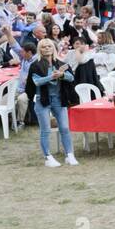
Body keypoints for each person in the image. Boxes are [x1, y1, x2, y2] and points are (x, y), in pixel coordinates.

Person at [25, 38, 79, 167]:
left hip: (59, 99)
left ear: (54, 48)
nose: (47, 48)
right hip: (42, 100)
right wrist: (52, 77)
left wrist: (62, 75)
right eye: (44, 47)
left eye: (49, 46)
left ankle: (69, 155)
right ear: (40, 50)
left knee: (65, 128)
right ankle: (48, 157)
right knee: (45, 130)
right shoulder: (35, 65)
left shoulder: (60, 63)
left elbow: (71, 78)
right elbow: (36, 81)